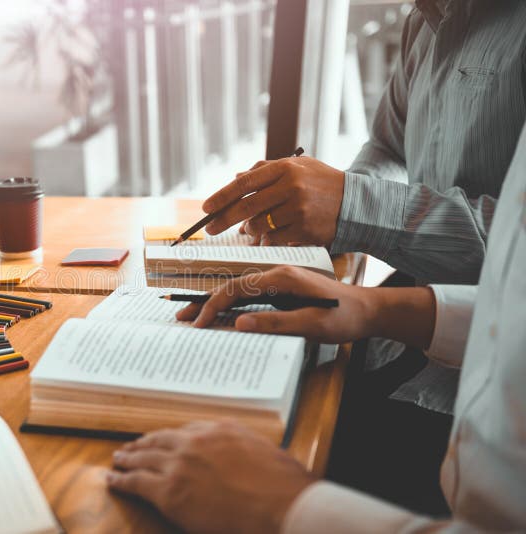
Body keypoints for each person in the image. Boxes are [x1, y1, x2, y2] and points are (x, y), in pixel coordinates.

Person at [105, 121, 526, 533]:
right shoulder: (421, 45)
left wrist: (290, 507)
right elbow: (388, 145)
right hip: (423, 356)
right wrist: (376, 307)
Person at [200, 0, 526, 511]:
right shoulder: (425, 18)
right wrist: (332, 205)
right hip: (407, 316)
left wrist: (354, 205)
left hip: (468, 394)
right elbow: (389, 147)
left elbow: (516, 252)